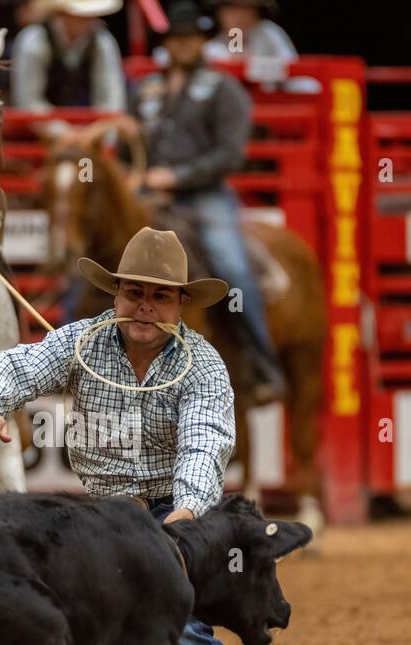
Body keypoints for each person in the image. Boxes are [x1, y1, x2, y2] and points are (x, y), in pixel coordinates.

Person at [0, 225, 289, 645]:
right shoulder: (81, 344)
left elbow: (205, 445)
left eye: (160, 296)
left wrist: (182, 515)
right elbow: (16, 368)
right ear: (115, 297)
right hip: (102, 518)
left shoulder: (203, 367)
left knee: (180, 633)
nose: (144, 306)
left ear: (181, 305)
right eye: (134, 292)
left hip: (173, 513)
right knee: (39, 620)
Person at [128, 0, 287, 404]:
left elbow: (230, 154)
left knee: (231, 265)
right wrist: (138, 175)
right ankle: (68, 350)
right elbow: (127, 141)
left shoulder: (222, 89)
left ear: (201, 41)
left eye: (189, 38)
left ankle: (261, 361)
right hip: (149, 195)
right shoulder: (147, 90)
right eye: (176, 39)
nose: (182, 45)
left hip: (205, 196)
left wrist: (177, 176)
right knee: (101, 246)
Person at [9, 0, 126, 138]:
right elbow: (29, 102)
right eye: (80, 17)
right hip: (39, 135)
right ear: (61, 14)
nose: (89, 22)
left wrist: (96, 133)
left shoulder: (102, 42)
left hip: (90, 133)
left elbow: (112, 99)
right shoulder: (34, 42)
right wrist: (64, 133)